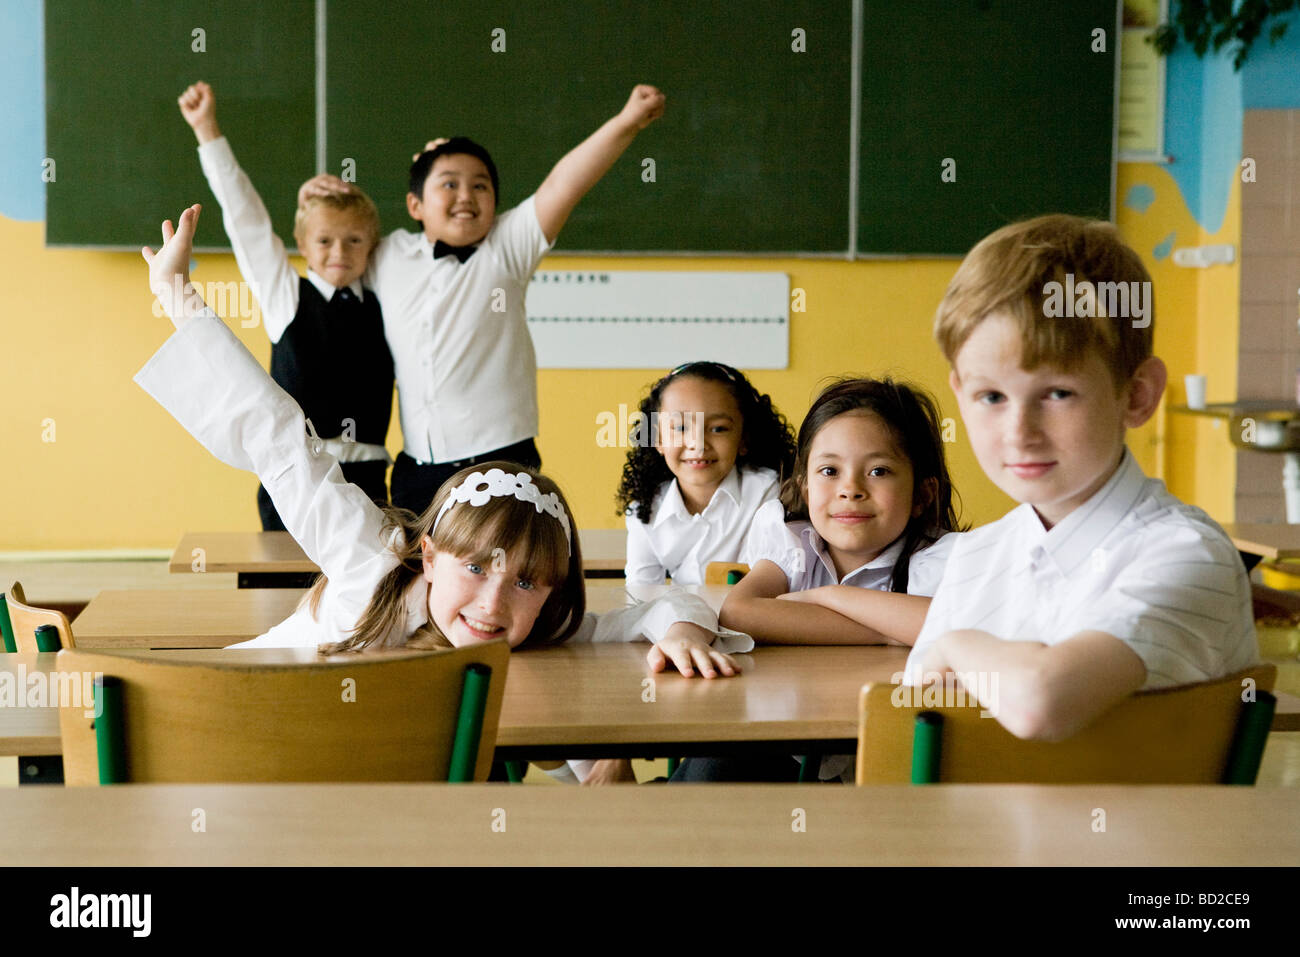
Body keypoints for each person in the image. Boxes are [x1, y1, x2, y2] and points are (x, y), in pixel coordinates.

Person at [138, 204, 747, 681]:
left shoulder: (536, 622)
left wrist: (683, 631)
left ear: (553, 592)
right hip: (231, 719)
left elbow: (671, 608)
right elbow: (280, 440)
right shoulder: (372, 560)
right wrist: (176, 296)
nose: (492, 602)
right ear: (426, 555)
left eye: (526, 582)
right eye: (475, 566)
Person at [904, 214, 1258, 741]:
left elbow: (1041, 703)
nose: (1019, 432)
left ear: (1137, 394)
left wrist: (955, 644)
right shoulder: (974, 558)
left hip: (1145, 827)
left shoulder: (1188, 554)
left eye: (1057, 393)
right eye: (991, 397)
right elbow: (911, 727)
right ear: (959, 392)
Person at [299, 85, 667, 513]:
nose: (465, 196)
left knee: (505, 573)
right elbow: (336, 240)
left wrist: (626, 122)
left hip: (502, 462)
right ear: (415, 204)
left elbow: (565, 182)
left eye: (480, 186)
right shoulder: (387, 253)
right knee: (418, 575)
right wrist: (318, 196)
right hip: (418, 468)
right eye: (449, 184)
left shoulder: (508, 248)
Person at [673, 377, 962, 782]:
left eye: (879, 471)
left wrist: (829, 596)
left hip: (889, 763)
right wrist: (889, 631)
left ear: (922, 496)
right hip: (780, 745)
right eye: (829, 470)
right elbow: (740, 612)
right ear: (806, 488)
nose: (851, 489)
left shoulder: (941, 558)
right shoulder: (792, 539)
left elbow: (950, 625)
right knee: (708, 777)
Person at [178, 81, 393, 530]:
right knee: (284, 596)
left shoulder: (383, 298)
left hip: (371, 482)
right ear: (300, 243)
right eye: (324, 240)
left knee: (370, 596)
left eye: (354, 240)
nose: (340, 251)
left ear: (372, 245)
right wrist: (207, 130)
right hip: (297, 481)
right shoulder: (285, 294)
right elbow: (245, 218)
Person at [616, 360, 795, 584]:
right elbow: (641, 595)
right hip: (679, 617)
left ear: (744, 438)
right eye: (680, 428)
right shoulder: (645, 510)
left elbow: (769, 586)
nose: (697, 444)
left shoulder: (768, 493)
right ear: (657, 439)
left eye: (718, 428)